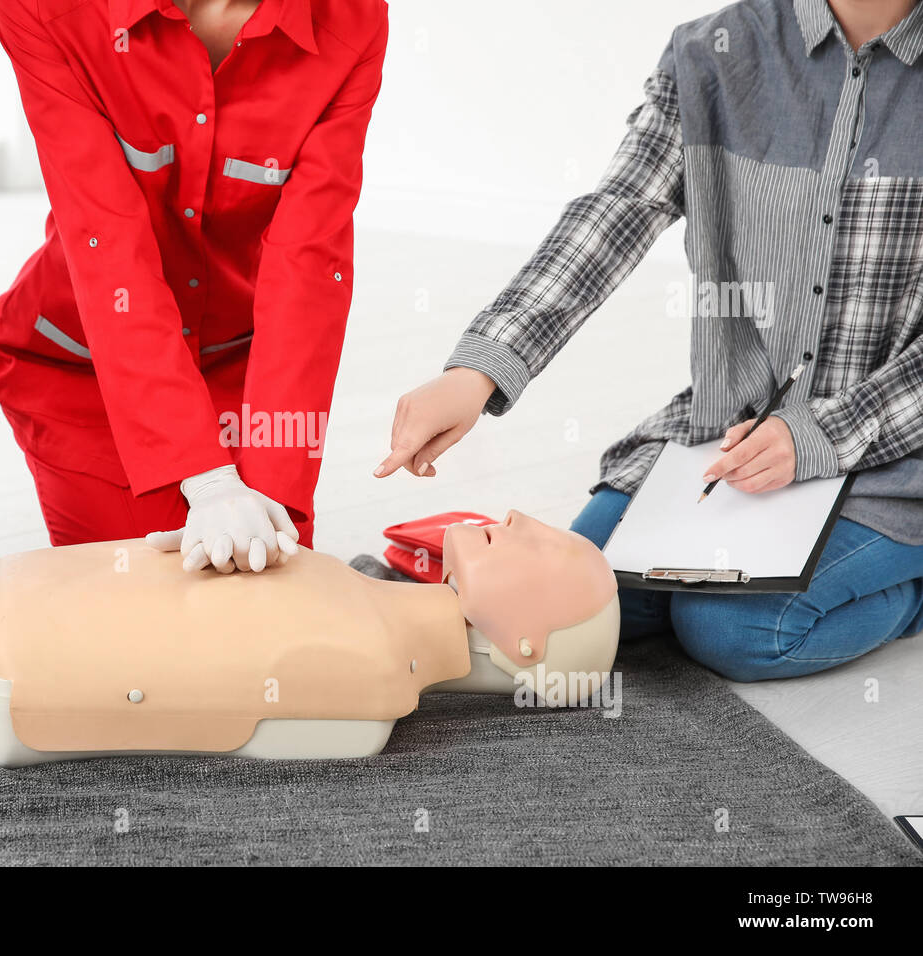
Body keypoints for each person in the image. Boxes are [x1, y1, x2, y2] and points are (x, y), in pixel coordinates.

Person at [377, 0, 923, 681]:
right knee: (587, 601)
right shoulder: (712, 53)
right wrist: (479, 370)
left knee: (735, 628)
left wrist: (819, 436)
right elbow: (617, 212)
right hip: (729, 442)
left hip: (894, 458)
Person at [0, 0, 388, 573]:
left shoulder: (351, 20)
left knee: (268, 600)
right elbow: (106, 241)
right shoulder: (47, 9)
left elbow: (309, 264)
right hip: (84, 370)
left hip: (239, 371)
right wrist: (210, 478)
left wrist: (272, 490)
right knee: (143, 612)